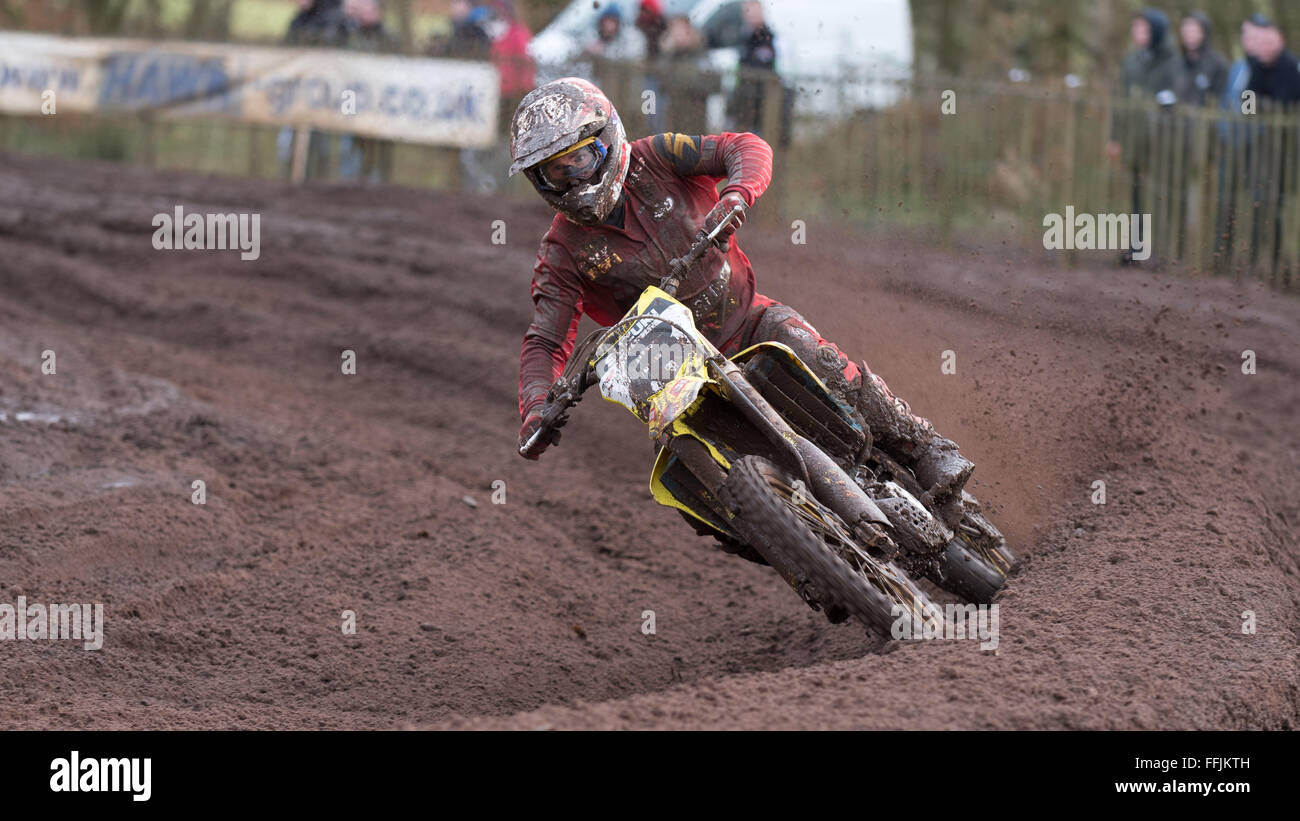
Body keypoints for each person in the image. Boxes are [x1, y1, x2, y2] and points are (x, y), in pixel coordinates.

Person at [509, 78, 974, 522]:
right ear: (539, 181)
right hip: (674, 382)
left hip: (749, 324)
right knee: (688, 482)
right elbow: (546, 340)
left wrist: (737, 194)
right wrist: (535, 409)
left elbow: (745, 146)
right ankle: (793, 548)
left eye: (580, 160)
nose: (572, 179)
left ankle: (927, 448)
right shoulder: (562, 252)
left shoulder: (659, 156)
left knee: (815, 355)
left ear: (607, 139)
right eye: (555, 171)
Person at [1107, 7, 1178, 263]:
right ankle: (1136, 248)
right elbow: (1120, 102)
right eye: (1136, 27)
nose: (1137, 33)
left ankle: (1163, 251)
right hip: (1135, 141)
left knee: (1162, 197)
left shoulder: (1172, 61)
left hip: (1164, 144)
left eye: (1144, 28)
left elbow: (1176, 101)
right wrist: (1115, 137)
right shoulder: (1131, 61)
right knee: (1137, 196)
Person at [728, 0, 777, 135]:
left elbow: (763, 64)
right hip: (742, 99)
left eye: (754, 12)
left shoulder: (767, 37)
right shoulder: (742, 35)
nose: (751, 16)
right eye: (748, 12)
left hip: (761, 101)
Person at [1175, 12, 1228, 107]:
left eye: (1194, 31)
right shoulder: (1177, 63)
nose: (1189, 35)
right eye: (1186, 31)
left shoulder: (1217, 64)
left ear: (1204, 33)